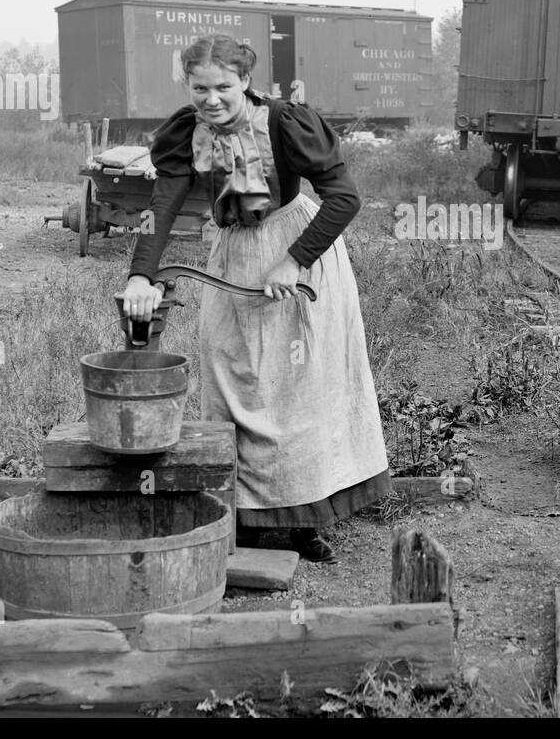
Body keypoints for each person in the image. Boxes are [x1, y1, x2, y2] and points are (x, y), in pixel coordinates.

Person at [119, 35, 390, 563]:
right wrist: (140, 275)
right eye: (200, 87)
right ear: (187, 85)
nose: (211, 98)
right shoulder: (185, 133)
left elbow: (345, 198)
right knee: (230, 377)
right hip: (232, 256)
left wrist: (294, 259)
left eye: (223, 86)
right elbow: (162, 206)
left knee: (299, 389)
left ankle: (305, 519)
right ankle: (239, 514)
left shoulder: (285, 123)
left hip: (297, 249)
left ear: (245, 80)